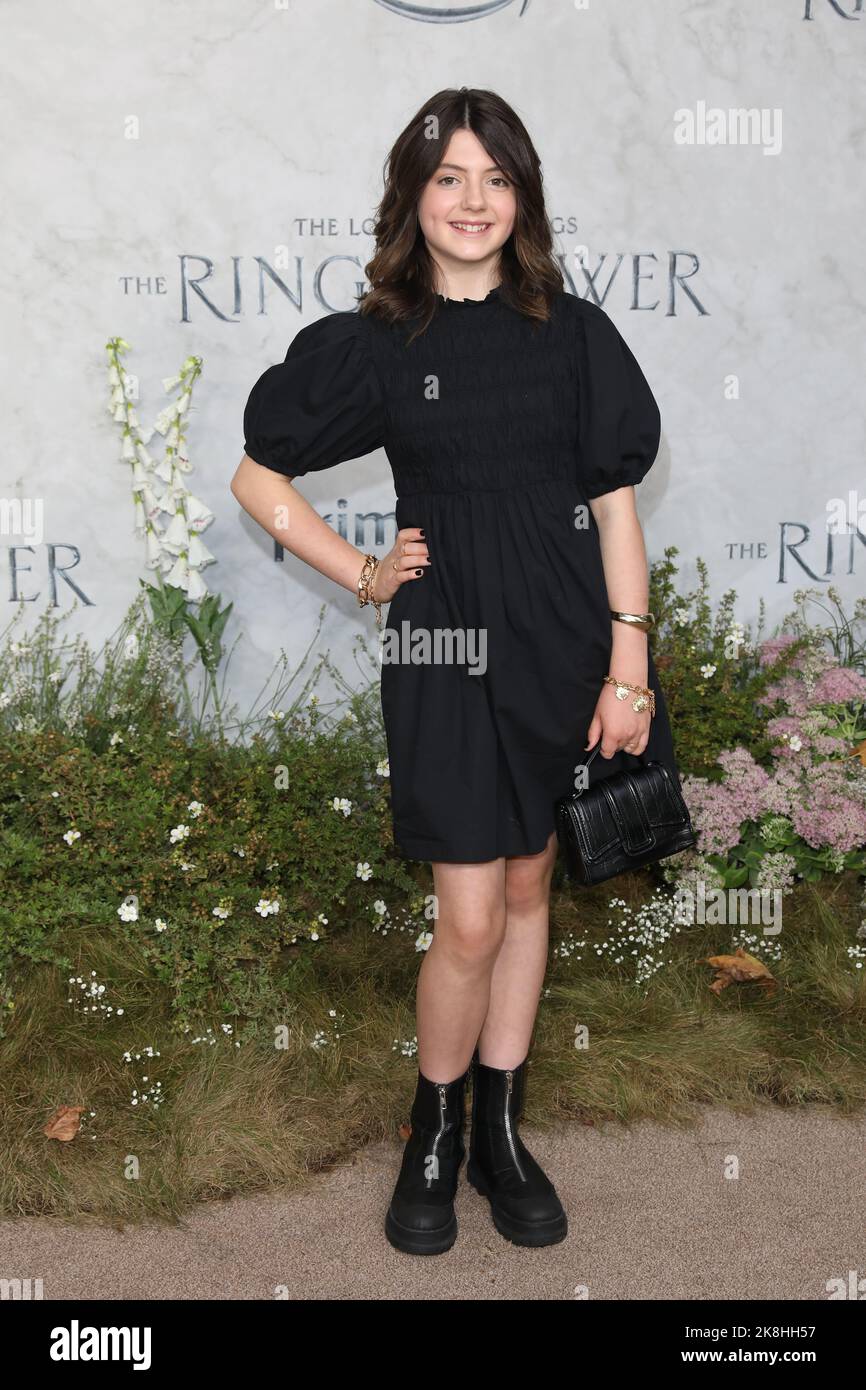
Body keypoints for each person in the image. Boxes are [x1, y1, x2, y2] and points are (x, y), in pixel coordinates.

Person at [232, 87, 679, 1257]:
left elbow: (614, 506)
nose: (471, 200)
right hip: (442, 648)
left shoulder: (573, 333)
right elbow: (258, 475)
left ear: (519, 196)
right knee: (469, 914)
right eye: (447, 178)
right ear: (412, 198)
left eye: (494, 178)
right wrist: (366, 574)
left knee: (530, 889)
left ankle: (501, 1131)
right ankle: (429, 1133)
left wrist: (626, 661)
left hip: (564, 642)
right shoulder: (379, 341)